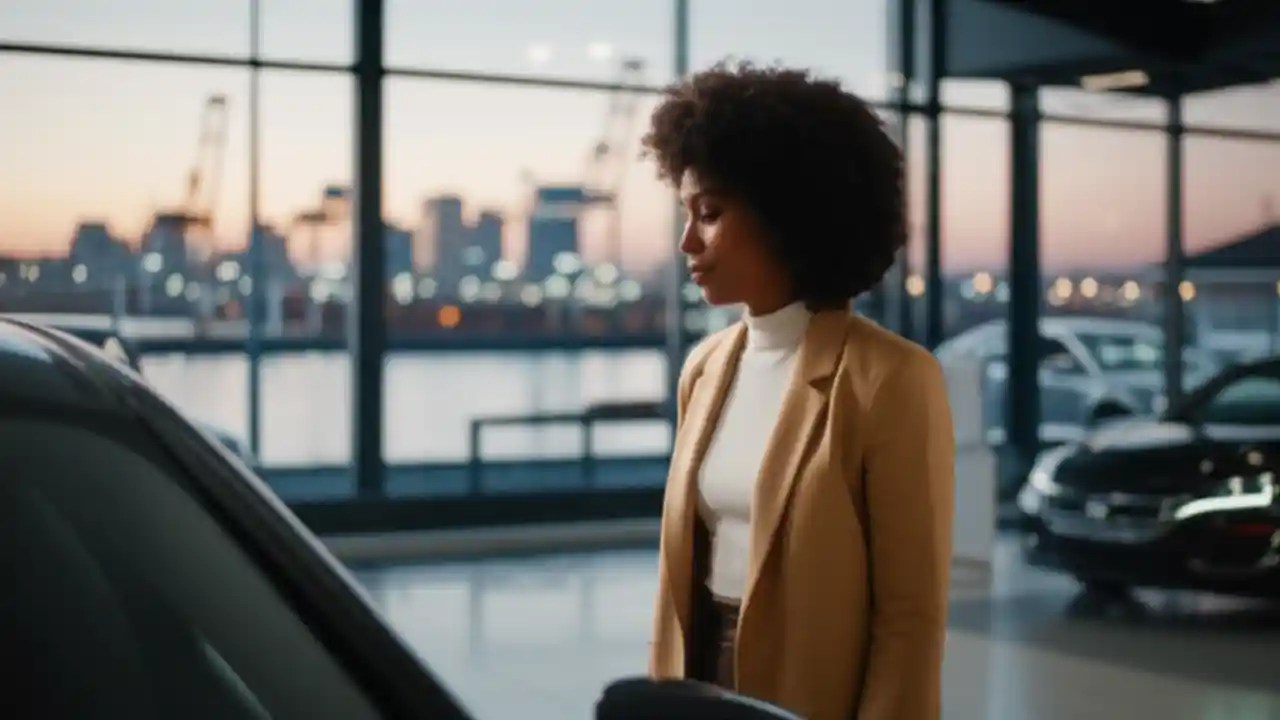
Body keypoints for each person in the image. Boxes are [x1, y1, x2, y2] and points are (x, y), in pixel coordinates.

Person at [643, 62, 956, 720]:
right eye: (686, 213)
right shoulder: (704, 368)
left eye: (710, 213)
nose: (686, 241)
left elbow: (909, 620)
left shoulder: (890, 379)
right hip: (696, 680)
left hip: (811, 693)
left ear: (787, 214)